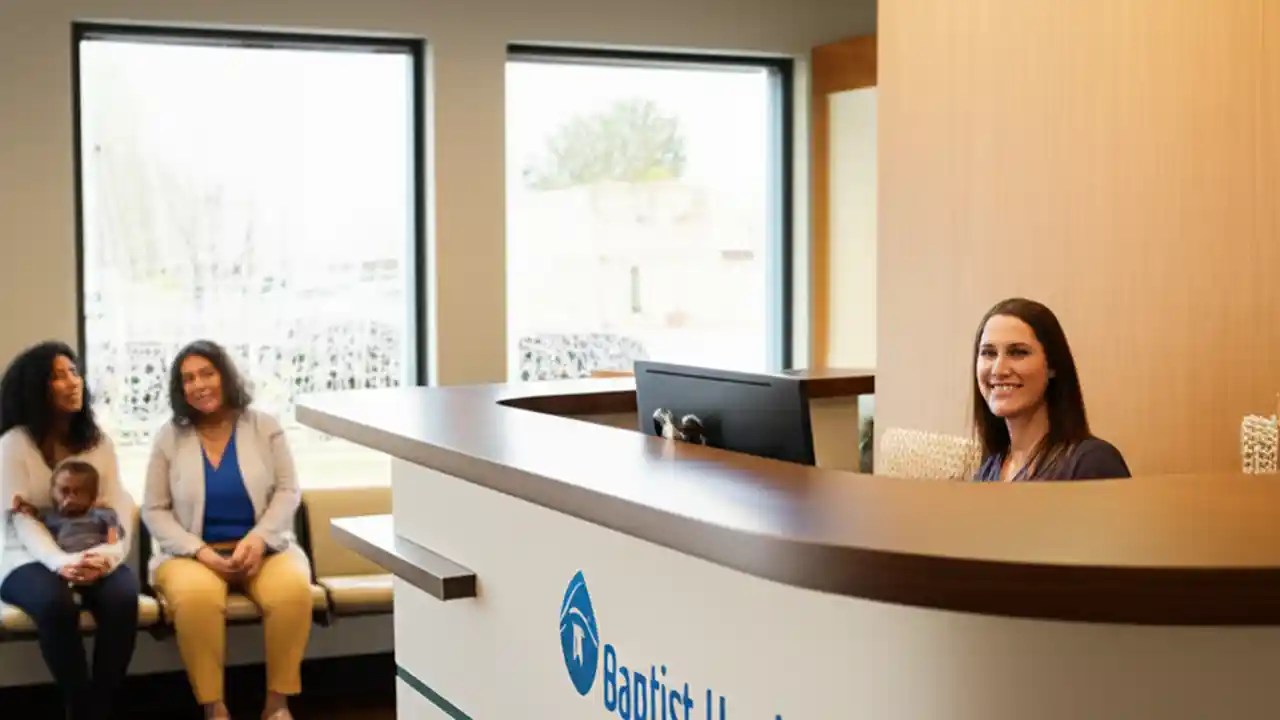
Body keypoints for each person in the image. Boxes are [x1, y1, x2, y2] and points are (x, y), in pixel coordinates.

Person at [142, 340, 311, 720]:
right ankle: (214, 707)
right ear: (179, 389)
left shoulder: (263, 426)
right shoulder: (169, 437)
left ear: (225, 375)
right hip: (190, 555)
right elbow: (154, 510)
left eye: (207, 373)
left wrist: (258, 538)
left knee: (292, 593)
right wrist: (200, 552)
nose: (199, 385)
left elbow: (288, 491)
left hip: (266, 549)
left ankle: (277, 704)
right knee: (197, 600)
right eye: (188, 379)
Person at [0, 341, 139, 720]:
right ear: (35, 388)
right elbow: (20, 518)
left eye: (74, 372)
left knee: (124, 598)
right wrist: (61, 562)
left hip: (92, 550)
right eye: (58, 376)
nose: (73, 382)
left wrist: (108, 558)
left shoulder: (97, 442)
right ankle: (81, 707)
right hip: (23, 556)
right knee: (55, 605)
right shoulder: (13, 445)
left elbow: (118, 505)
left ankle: (101, 705)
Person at [971, 298, 1131, 481]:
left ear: (1052, 366)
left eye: (1018, 352)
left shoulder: (1092, 463)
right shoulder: (987, 472)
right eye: (988, 353)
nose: (999, 370)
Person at [12, 460, 124, 553]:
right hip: (65, 563)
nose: (70, 499)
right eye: (64, 491)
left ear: (92, 496)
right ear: (52, 492)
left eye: (78, 492)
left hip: (99, 559)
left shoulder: (101, 514)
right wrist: (24, 507)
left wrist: (107, 556)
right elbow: (31, 524)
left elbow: (114, 541)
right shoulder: (47, 516)